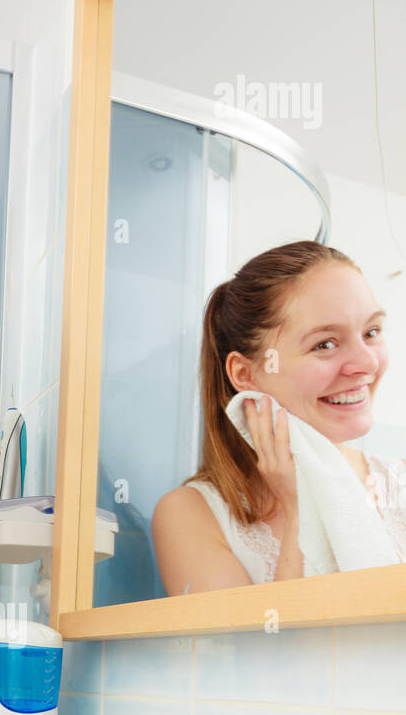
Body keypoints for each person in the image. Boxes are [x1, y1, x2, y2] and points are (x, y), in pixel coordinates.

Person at [152, 240, 406, 595]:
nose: (367, 363)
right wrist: (300, 509)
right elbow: (266, 650)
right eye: (325, 344)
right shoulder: (191, 515)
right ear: (245, 374)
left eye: (371, 333)